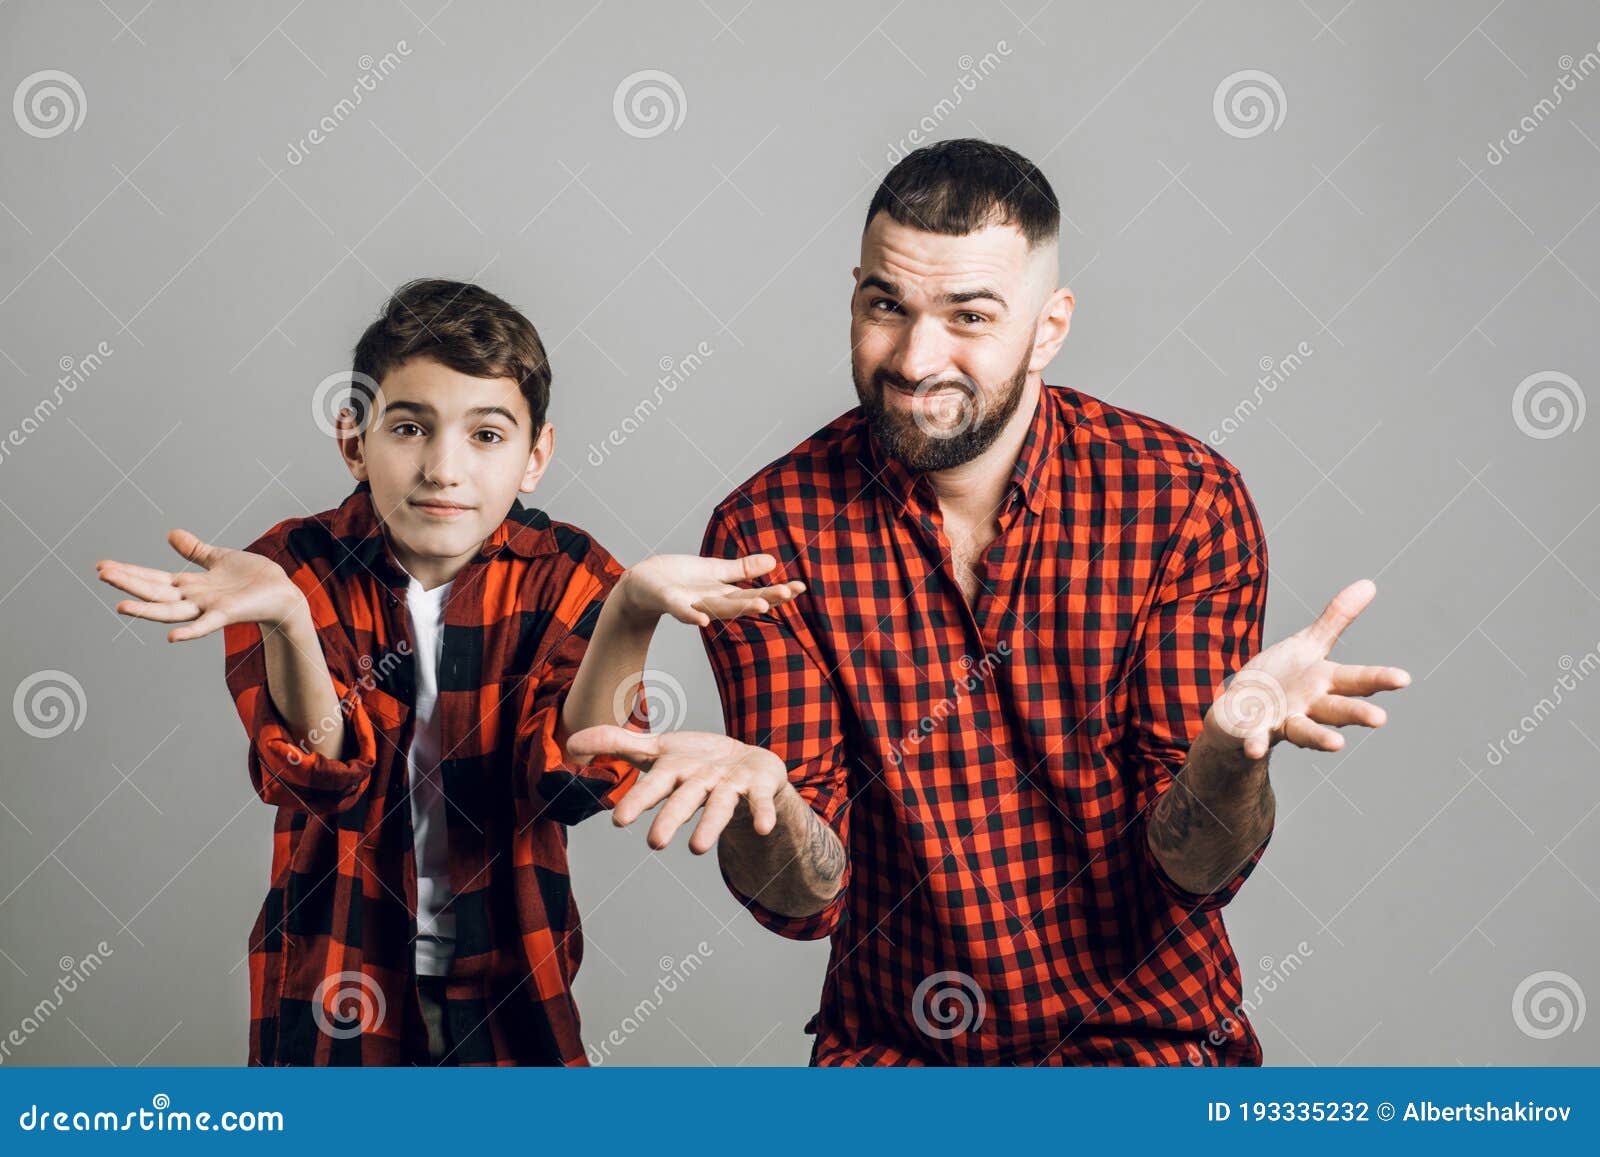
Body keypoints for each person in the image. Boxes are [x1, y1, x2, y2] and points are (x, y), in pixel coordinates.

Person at [569, 140, 1411, 1065]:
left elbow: (1194, 868)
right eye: (887, 305)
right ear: (854, 294)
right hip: (898, 1055)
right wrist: (771, 803)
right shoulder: (772, 527)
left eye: (969, 315)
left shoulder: (1183, 500)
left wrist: (1227, 752)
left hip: (1148, 1047)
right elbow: (800, 901)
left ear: (1049, 328)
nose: (917, 358)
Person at [95, 279, 800, 1065]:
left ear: (536, 456)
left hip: (509, 981)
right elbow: (323, 776)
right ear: (354, 441)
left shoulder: (566, 574)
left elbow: (569, 782)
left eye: (487, 436)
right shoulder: (289, 570)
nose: (443, 467)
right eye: (410, 427)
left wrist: (631, 610)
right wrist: (287, 620)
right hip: (335, 971)